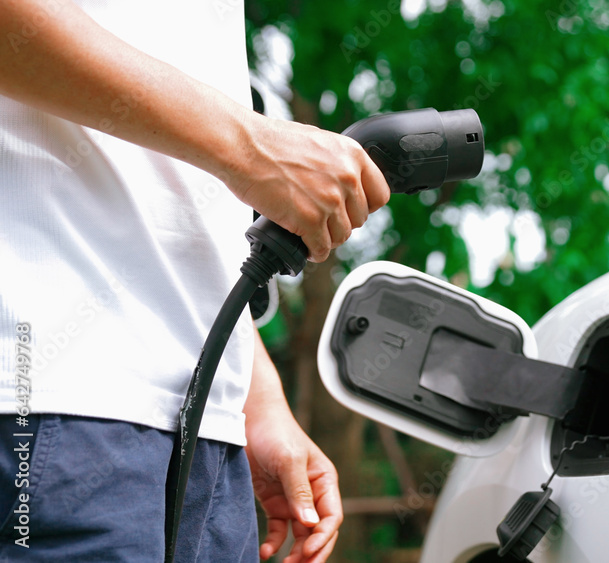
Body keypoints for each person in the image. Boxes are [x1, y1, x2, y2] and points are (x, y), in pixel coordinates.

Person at [0, 0, 390, 561]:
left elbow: (161, 192)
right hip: (51, 398)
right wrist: (253, 147)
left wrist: (255, 398)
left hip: (206, 437)